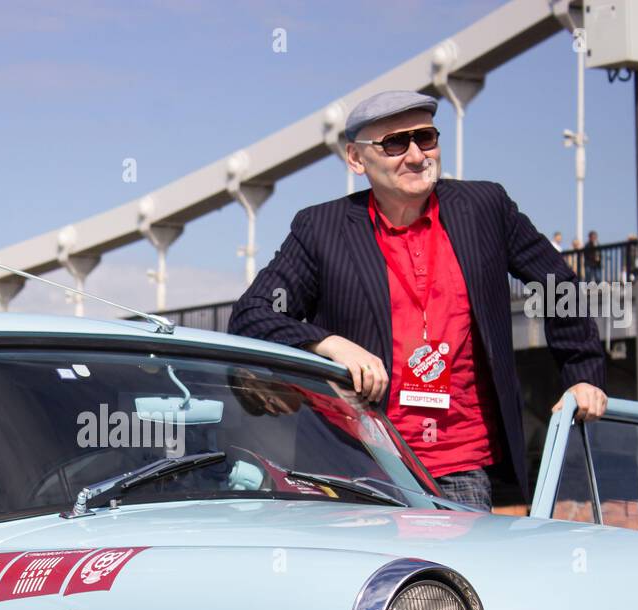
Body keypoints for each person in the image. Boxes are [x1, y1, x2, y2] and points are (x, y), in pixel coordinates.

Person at [229, 90, 607, 511]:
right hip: (354, 465)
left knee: (453, 578)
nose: (415, 155)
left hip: (458, 468)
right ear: (356, 159)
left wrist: (582, 371)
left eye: (425, 138)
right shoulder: (321, 229)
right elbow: (251, 315)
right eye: (394, 143)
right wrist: (328, 344)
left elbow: (558, 283)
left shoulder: (485, 208)